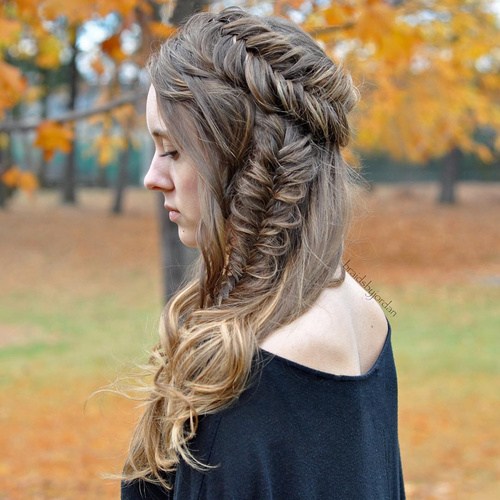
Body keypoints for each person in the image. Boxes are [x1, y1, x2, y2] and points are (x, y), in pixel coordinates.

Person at [121, 6, 405, 499]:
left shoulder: (264, 366)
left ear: (244, 156)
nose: (152, 177)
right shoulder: (364, 315)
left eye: (172, 150)